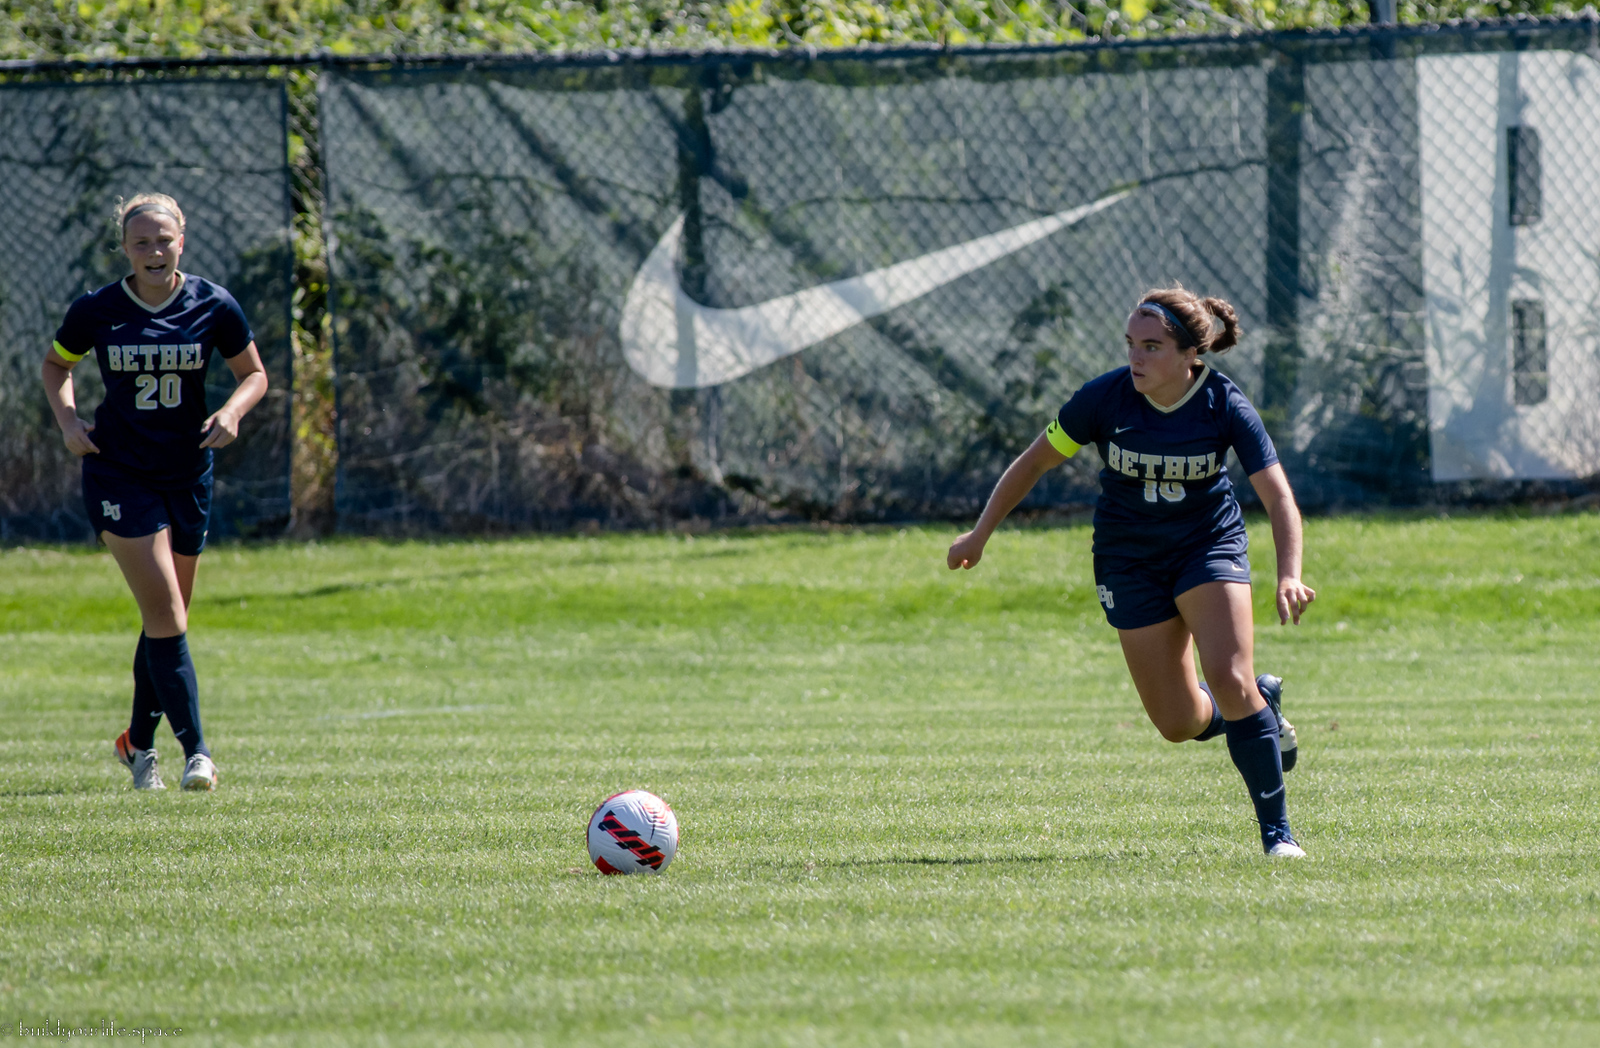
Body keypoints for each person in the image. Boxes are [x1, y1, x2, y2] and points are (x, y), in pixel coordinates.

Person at [947, 286, 1315, 857]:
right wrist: (980, 533)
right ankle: (1260, 709)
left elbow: (1279, 498)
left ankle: (1279, 836)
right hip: (1128, 560)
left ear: (1192, 354)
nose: (1135, 358)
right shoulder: (1104, 399)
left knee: (1229, 676)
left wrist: (1288, 573)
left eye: (1151, 346)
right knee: (1177, 722)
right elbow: (1034, 462)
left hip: (1206, 547)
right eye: (1130, 345)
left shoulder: (1224, 404)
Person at [41, 193, 268, 792]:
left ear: (181, 241)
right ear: (125, 248)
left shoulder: (211, 303)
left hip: (188, 474)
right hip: (119, 473)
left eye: (163, 239)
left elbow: (255, 374)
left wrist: (233, 412)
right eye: (141, 242)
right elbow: (55, 366)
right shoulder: (98, 309)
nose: (154, 251)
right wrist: (68, 423)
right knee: (166, 612)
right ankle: (197, 753)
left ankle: (137, 743)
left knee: (168, 619)